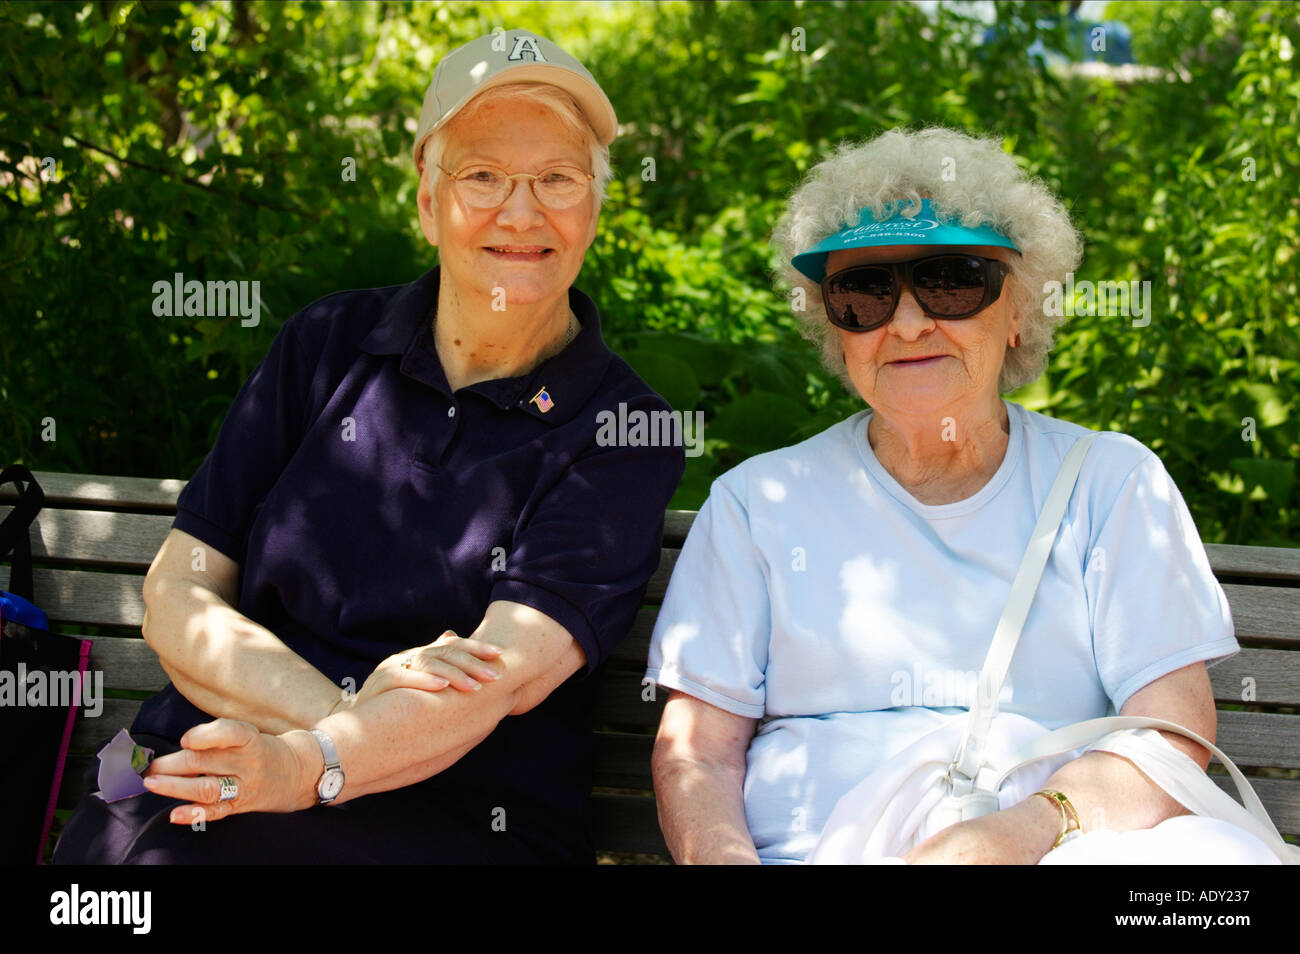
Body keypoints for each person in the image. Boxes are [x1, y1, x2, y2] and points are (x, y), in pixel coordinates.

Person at [54, 29, 684, 865]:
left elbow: (495, 678)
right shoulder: (326, 344)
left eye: (557, 180)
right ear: (427, 201)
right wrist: (331, 727)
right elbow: (179, 594)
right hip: (220, 774)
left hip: (446, 819)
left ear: (594, 211)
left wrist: (308, 765)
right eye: (484, 176)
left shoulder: (621, 429)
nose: (522, 211)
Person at [645, 127, 1271, 864]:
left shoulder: (1109, 485)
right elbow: (700, 755)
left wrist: (1021, 832)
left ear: (1018, 313)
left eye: (951, 281)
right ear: (834, 328)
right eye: (864, 293)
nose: (907, 324)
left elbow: (1171, 734)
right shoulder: (757, 504)